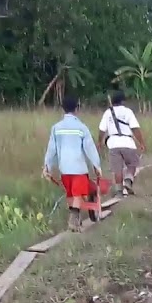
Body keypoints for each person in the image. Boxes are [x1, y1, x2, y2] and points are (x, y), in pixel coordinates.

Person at [43, 95, 102, 231]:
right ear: (77, 108)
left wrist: (47, 166)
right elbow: (90, 148)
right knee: (78, 194)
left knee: (70, 194)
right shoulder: (81, 128)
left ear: (63, 109)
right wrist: (96, 165)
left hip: (64, 168)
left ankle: (74, 219)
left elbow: (51, 149)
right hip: (79, 168)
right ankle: (73, 219)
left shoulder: (56, 128)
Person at [99, 91, 146, 196]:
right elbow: (135, 129)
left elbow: (102, 130)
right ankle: (128, 180)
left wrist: (99, 142)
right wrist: (141, 143)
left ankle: (119, 191)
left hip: (113, 144)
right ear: (123, 101)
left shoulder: (108, 113)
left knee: (117, 169)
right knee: (132, 164)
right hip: (128, 143)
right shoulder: (128, 112)